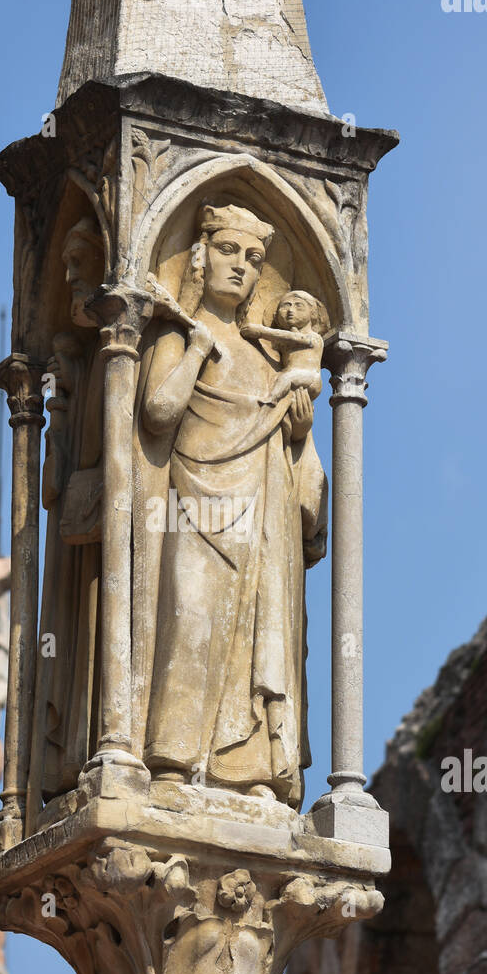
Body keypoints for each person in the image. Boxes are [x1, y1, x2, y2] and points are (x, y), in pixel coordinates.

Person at [132, 200, 327, 807]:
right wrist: (194, 346)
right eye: (228, 251)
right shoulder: (175, 332)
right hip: (196, 508)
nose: (241, 267)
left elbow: (297, 455)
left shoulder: (265, 353)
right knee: (189, 616)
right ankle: (170, 762)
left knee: (261, 636)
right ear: (199, 255)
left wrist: (297, 430)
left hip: (262, 516)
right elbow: (158, 414)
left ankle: (250, 772)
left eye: (254, 259)